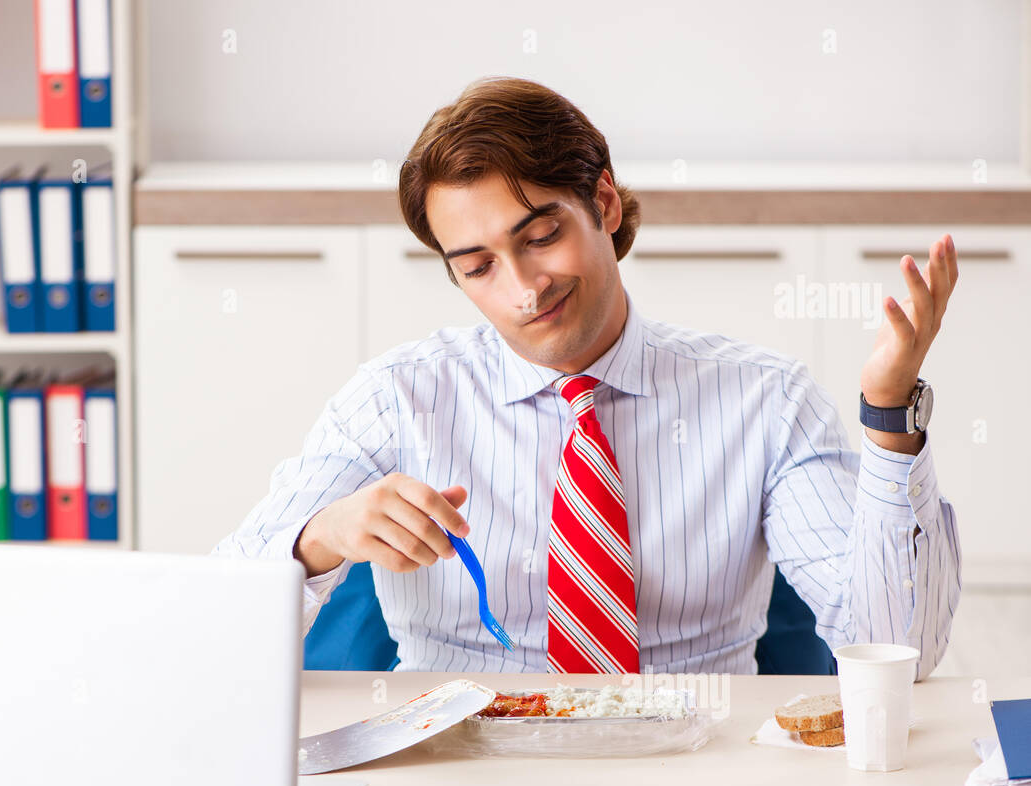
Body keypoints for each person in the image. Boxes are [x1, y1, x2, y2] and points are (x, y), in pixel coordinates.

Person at [211, 76, 961, 677]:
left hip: (696, 771)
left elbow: (901, 651)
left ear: (602, 202)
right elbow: (214, 621)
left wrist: (890, 413)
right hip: (463, 765)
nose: (522, 288)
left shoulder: (765, 400)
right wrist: (319, 536)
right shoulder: (394, 401)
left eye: (540, 236)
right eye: (476, 267)